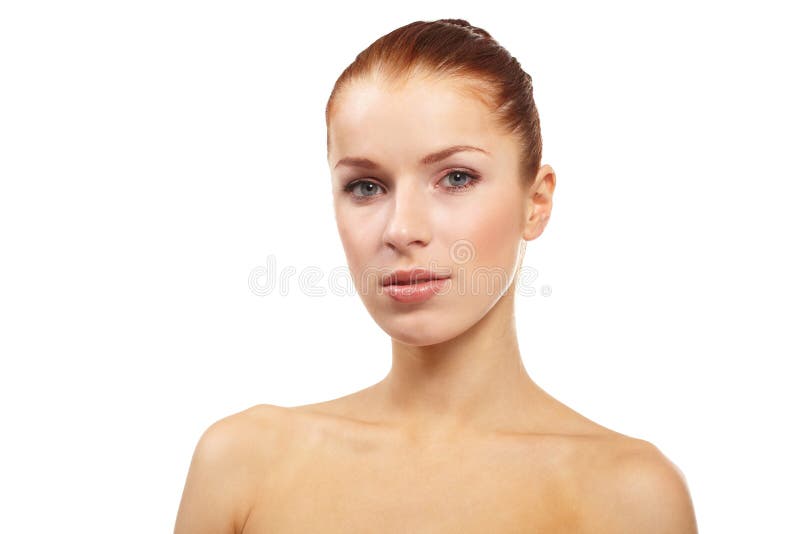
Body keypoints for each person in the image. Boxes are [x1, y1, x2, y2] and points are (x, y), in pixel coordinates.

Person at [174, 18, 698, 533]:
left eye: (456, 178)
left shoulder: (629, 497)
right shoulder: (241, 466)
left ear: (536, 203)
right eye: (366, 186)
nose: (402, 230)